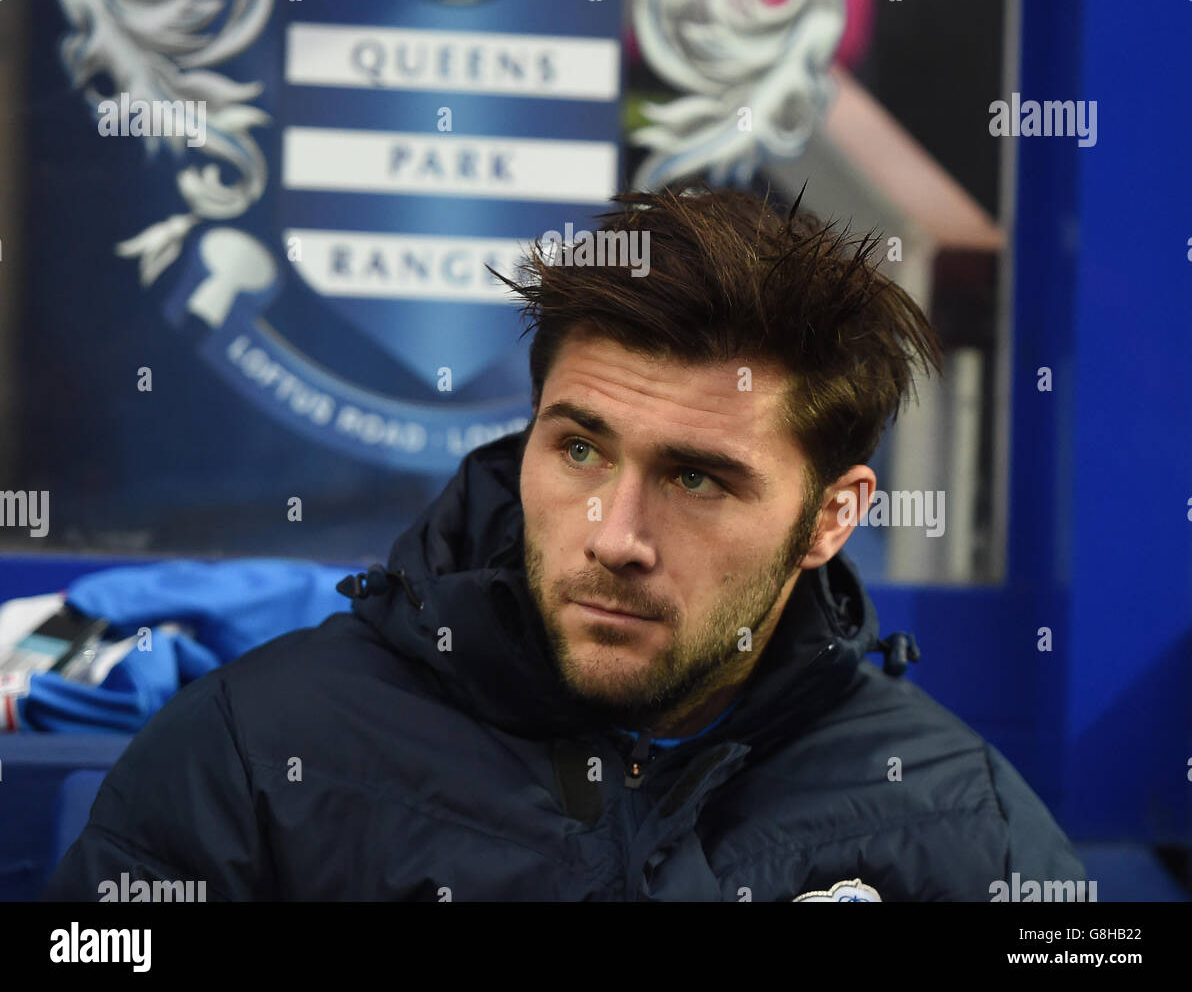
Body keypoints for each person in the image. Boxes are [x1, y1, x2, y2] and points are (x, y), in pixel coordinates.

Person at [43, 187, 1084, 901]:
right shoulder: (255, 750)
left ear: (829, 517)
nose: (615, 537)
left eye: (696, 478)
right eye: (582, 451)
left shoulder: (958, 824)